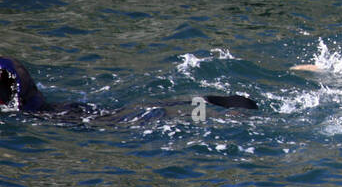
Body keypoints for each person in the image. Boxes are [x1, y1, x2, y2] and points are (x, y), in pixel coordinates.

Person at [1, 55, 257, 119]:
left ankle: (221, 110)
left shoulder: (29, 115)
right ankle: (215, 104)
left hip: (67, 116)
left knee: (130, 117)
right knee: (131, 112)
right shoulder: (11, 69)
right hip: (74, 110)